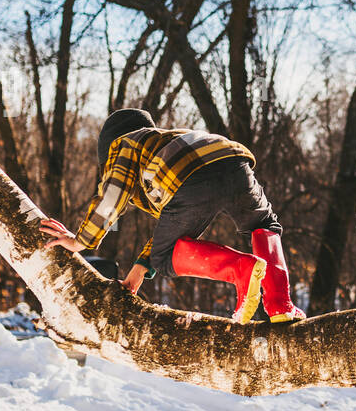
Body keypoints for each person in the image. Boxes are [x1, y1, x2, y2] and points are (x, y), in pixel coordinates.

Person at [40, 108, 304, 323]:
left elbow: (113, 195)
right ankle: (280, 305)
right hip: (233, 160)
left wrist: (80, 241)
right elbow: (172, 225)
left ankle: (240, 270)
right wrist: (137, 274)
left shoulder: (124, 144)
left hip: (191, 178)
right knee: (264, 225)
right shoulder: (166, 143)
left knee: (165, 259)